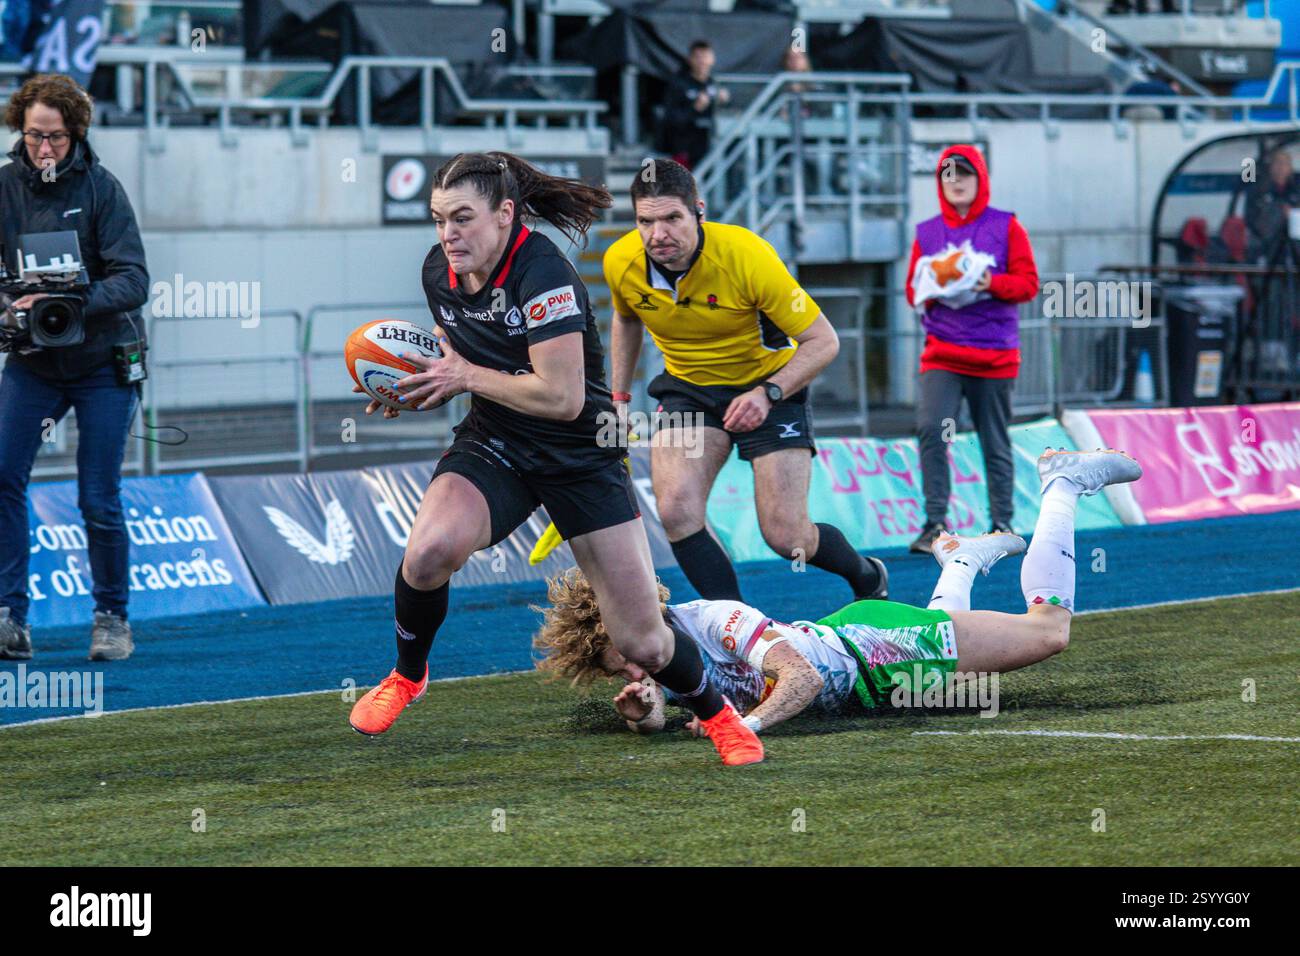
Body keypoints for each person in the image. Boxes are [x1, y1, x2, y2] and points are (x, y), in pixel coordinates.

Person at [347, 151, 763, 766]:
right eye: (439, 219)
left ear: (506, 214)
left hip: (580, 455)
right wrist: (416, 385)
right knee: (429, 550)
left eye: (462, 218)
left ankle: (718, 715)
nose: (448, 234)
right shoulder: (439, 271)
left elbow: (563, 398)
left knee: (643, 643)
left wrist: (464, 375)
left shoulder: (544, 274)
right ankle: (408, 675)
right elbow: (465, 361)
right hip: (498, 442)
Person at [534, 448, 1142, 737]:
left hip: (871, 652)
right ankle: (958, 562)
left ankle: (1062, 483)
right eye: (624, 666)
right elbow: (682, 701)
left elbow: (802, 678)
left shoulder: (713, 619)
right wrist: (650, 716)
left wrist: (746, 725)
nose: (638, 665)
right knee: (947, 649)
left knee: (1048, 632)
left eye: (631, 657)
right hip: (867, 658)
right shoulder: (658, 649)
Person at [603, 158, 888, 606]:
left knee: (786, 536)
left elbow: (823, 342)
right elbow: (625, 318)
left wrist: (768, 393)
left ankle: (867, 575)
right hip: (688, 391)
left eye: (672, 218)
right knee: (677, 511)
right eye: (646, 221)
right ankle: (739, 631)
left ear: (699, 210)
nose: (659, 234)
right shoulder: (620, 261)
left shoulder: (747, 256)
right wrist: (618, 398)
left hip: (771, 386)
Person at [0, 73, 150, 662]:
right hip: (33, 363)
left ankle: (112, 617)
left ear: (76, 134)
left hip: (101, 363)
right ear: (20, 129)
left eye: (57, 138)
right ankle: (10, 616)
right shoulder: (5, 188)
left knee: (97, 496)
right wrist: (10, 311)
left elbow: (135, 278)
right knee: (3, 477)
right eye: (36, 135)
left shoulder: (102, 188)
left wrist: (71, 304)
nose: (45, 149)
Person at [906, 144, 1040, 554]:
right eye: (947, 174)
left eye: (964, 173)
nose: (955, 181)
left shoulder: (1006, 226)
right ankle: (935, 524)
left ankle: (1001, 523)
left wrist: (988, 283)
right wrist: (931, 287)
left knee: (994, 439)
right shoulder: (927, 232)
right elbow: (912, 288)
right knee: (932, 429)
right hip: (943, 353)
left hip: (994, 355)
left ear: (980, 179)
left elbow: (1028, 284)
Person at [658, 40, 730, 170]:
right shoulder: (679, 84)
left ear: (712, 59)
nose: (702, 61)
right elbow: (670, 118)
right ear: (689, 59)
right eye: (697, 57)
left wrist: (724, 101)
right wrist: (695, 108)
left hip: (709, 145)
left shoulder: (715, 83)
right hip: (683, 148)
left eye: (705, 56)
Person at [1245, 147, 1298, 261]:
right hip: (1264, 243)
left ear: (1290, 168)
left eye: (1285, 164)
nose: (1281, 168)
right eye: (1277, 163)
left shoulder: (1297, 191)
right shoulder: (1257, 191)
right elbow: (1250, 219)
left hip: (1294, 244)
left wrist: (1293, 214)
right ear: (1270, 167)